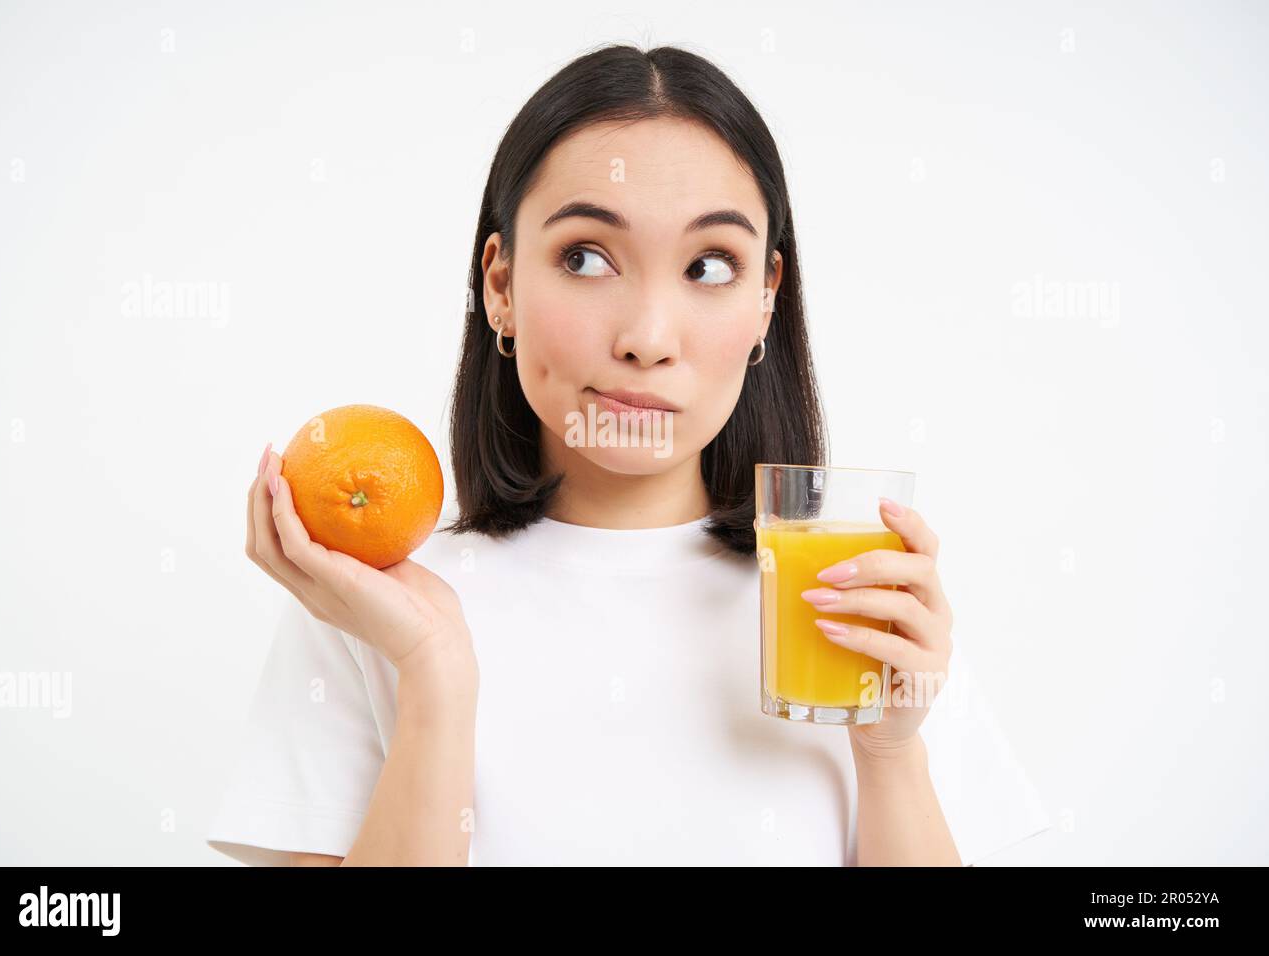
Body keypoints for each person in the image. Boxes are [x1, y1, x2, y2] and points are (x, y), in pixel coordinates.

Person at [206, 43, 1051, 866]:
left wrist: (891, 755)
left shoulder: (855, 602)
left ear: (765, 302)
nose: (648, 338)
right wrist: (434, 676)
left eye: (710, 266)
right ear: (500, 286)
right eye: (585, 257)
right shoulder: (379, 604)